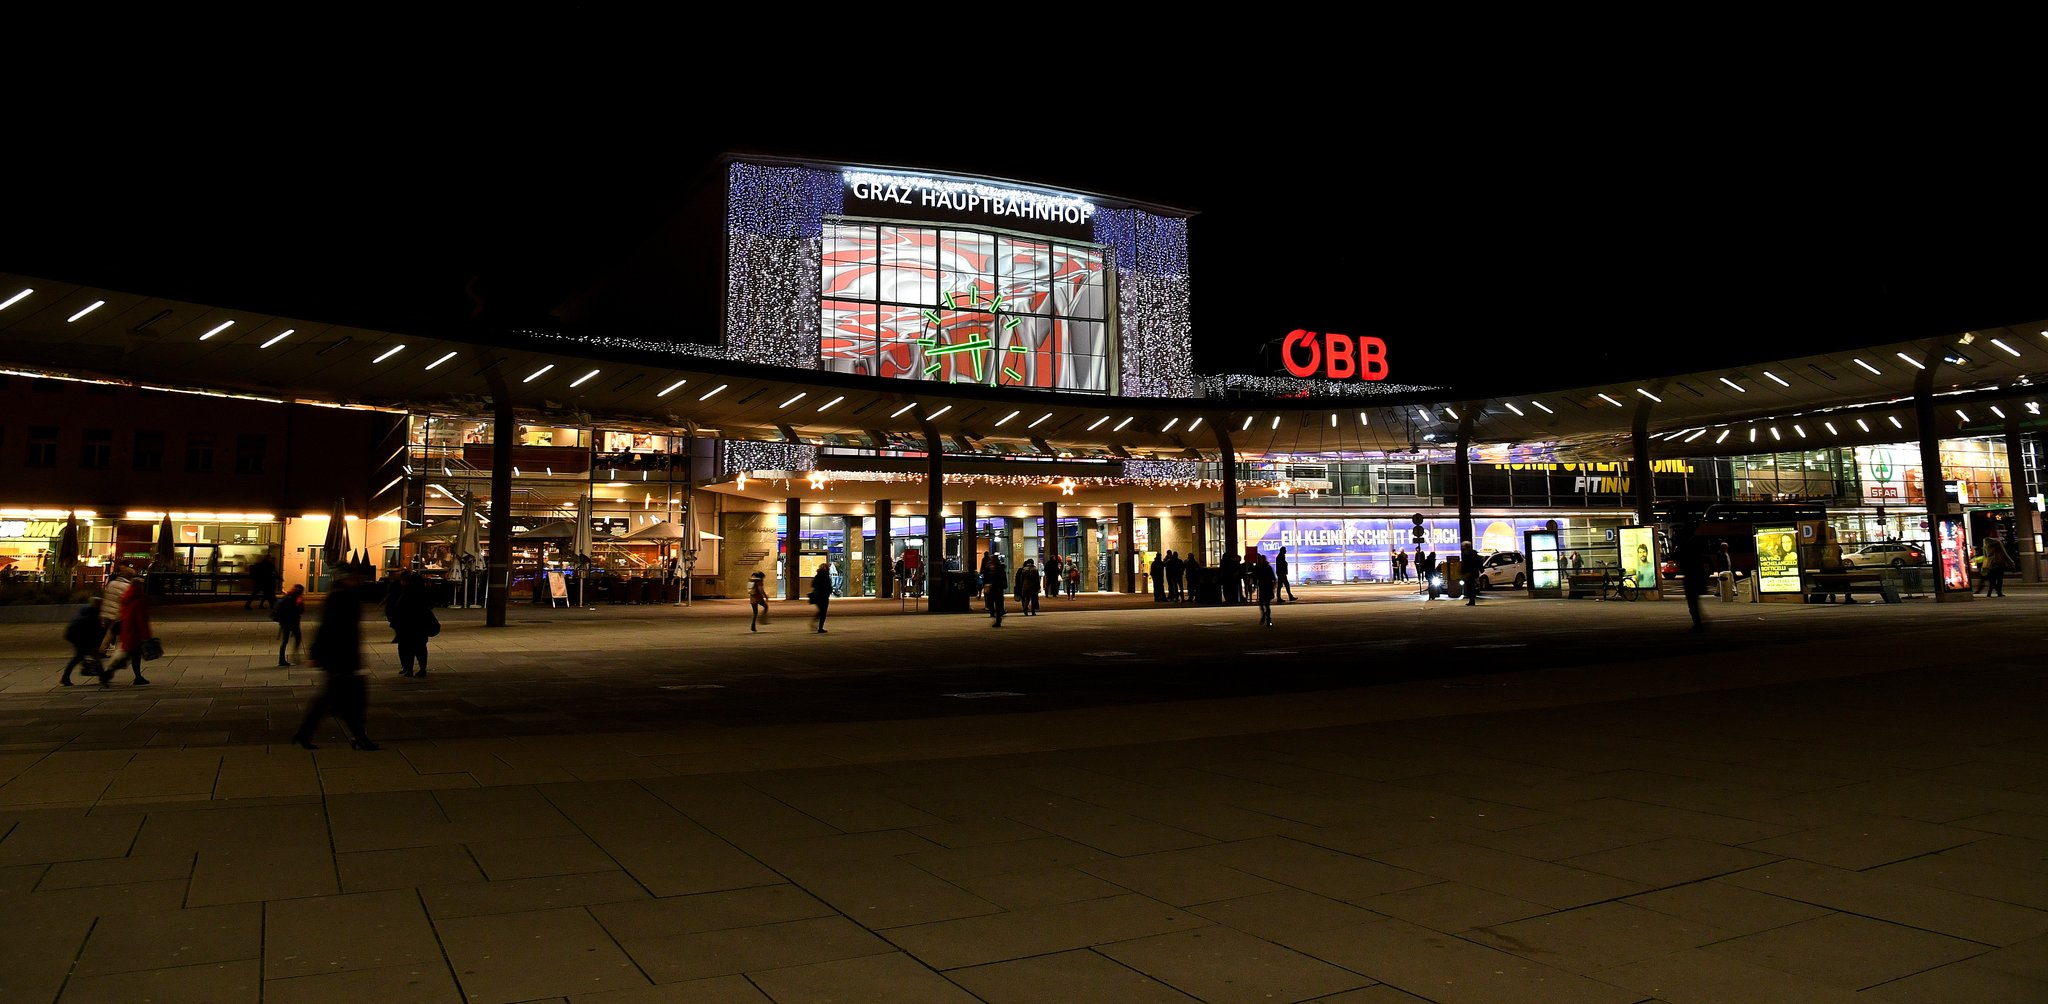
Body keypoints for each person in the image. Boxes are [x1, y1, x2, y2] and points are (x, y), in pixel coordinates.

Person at [292, 565, 378, 750]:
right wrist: (316, 653)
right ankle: (359, 738)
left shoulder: (345, 595)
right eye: (354, 577)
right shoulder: (341, 597)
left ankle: (305, 734)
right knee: (351, 700)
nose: (358, 579)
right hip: (340, 656)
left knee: (335, 699)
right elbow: (328, 627)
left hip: (342, 656)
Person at [102, 571, 155, 686]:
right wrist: (146, 635)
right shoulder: (138, 599)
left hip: (127, 630)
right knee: (128, 656)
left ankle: (137, 677)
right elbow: (141, 619)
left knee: (131, 656)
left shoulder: (128, 597)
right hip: (134, 633)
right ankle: (108, 674)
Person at [389, 571, 437, 677]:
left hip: (408, 625)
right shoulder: (423, 593)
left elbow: (399, 607)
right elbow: (430, 605)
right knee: (421, 648)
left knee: (408, 648)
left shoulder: (407, 593)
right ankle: (422, 668)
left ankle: (408, 669)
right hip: (421, 625)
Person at [61, 599, 102, 686]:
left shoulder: (85, 611)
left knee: (80, 657)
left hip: (76, 637)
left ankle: (66, 677)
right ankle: (102, 676)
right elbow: (93, 631)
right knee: (85, 657)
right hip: (81, 638)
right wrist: (94, 644)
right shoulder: (93, 615)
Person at [274, 584, 306, 666]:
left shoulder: (287, 596)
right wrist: (298, 604)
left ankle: (282, 659)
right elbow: (298, 611)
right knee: (295, 638)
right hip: (291, 622)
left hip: (285, 623)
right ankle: (286, 658)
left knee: (285, 641)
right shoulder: (292, 599)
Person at [1250, 551, 1277, 627]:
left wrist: (1254, 587)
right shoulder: (1267, 567)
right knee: (1266, 604)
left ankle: (1266, 617)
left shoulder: (1260, 568)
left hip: (1263, 587)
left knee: (1263, 604)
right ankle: (1268, 619)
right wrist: (1273, 587)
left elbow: (1255, 578)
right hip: (1267, 587)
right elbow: (1273, 578)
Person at [984, 551, 1008, 627]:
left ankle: (997, 618)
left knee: (996, 603)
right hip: (997, 588)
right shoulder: (998, 568)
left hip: (995, 588)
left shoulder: (995, 568)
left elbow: (994, 578)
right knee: (997, 603)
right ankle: (998, 616)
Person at [808, 563, 832, 632]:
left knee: (821, 611)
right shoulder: (826, 576)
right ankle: (820, 627)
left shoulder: (817, 576)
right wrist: (829, 591)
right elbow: (828, 586)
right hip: (824, 596)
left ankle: (815, 623)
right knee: (823, 612)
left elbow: (812, 585)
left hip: (817, 596)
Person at [1460, 540, 1482, 606]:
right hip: (1474, 572)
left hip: (1468, 572)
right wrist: (1481, 569)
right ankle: (1472, 600)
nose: (1462, 548)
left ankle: (1471, 600)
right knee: (1472, 586)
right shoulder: (1474, 553)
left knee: (1469, 586)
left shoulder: (1466, 554)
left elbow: (1465, 564)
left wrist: (1462, 571)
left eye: (1463, 546)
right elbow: (1479, 562)